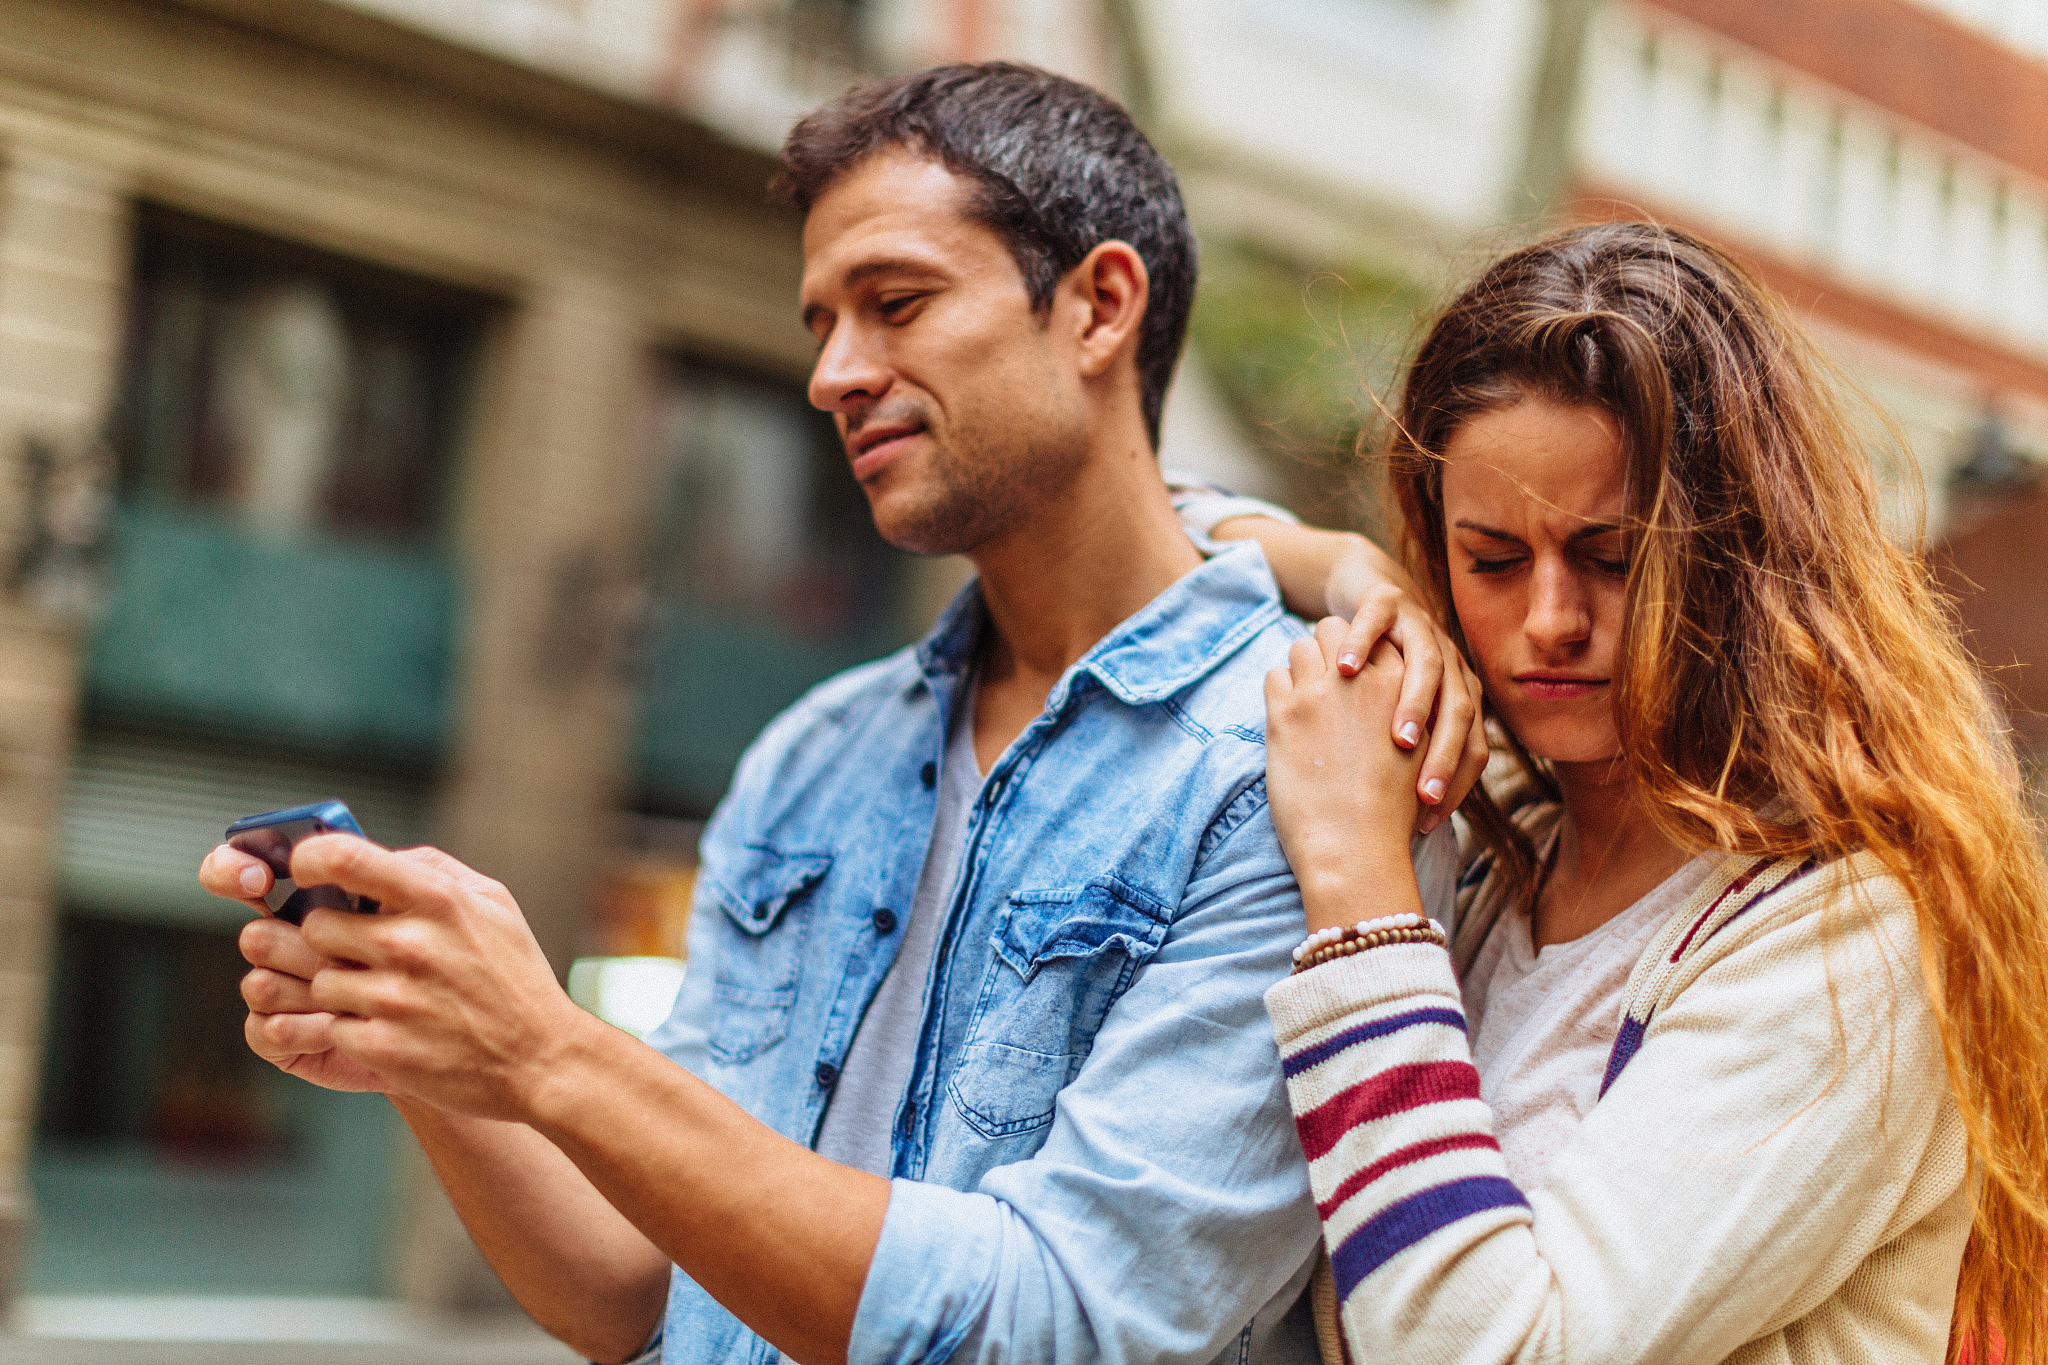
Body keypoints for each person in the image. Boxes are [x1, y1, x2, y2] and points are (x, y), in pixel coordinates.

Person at [198, 65, 1488, 1365]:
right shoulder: (811, 757)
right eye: (822, 321)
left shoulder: (1307, 765)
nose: (832, 375)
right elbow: (638, 1291)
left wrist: (551, 1051)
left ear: (1100, 305)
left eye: (898, 303)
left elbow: (1073, 1324)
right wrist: (433, 1044)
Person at [1226, 220, 2048, 1363]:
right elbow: (1160, 510)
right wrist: (1354, 573)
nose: (1549, 620)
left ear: (1740, 557)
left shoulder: (1848, 936)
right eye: (1491, 561)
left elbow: (1503, 1349)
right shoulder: (1505, 830)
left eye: (1614, 558)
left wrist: (1357, 889)